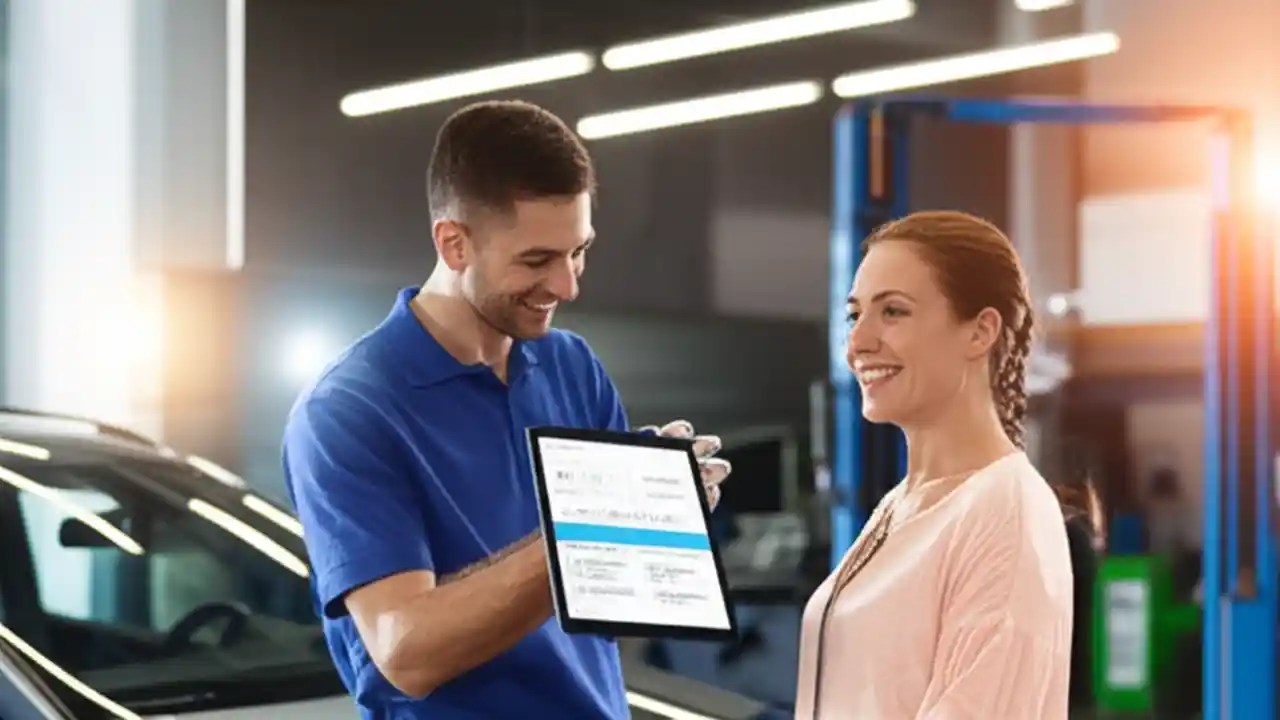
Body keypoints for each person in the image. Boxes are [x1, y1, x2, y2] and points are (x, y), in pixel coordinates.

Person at [281, 100, 732, 719]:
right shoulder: (347, 412)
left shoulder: (572, 366)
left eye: (579, 251)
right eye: (537, 260)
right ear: (454, 242)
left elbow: (609, 602)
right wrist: (588, 528)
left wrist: (656, 506)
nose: (568, 285)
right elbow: (405, 653)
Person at [794, 210, 1076, 719]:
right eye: (855, 315)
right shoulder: (903, 503)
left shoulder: (1003, 513)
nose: (859, 343)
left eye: (894, 312)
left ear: (980, 331)